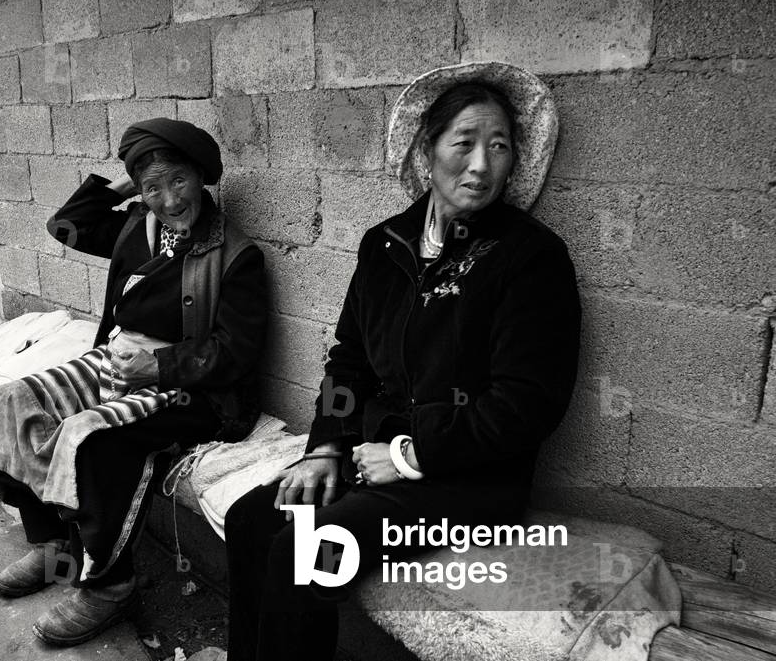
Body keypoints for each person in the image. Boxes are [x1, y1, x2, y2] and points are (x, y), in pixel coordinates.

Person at [223, 62, 582, 661]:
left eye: (499, 147)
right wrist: (328, 447)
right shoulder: (386, 243)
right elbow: (350, 361)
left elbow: (528, 403)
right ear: (427, 148)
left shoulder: (529, 257)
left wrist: (412, 456)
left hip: (472, 483)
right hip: (372, 459)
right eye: (463, 143)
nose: (481, 165)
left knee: (306, 550)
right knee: (253, 519)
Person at [0, 118, 267, 647]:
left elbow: (237, 354)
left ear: (202, 178)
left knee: (93, 439)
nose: (170, 199)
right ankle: (53, 545)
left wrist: (159, 367)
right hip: (118, 361)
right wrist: (131, 185)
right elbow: (65, 225)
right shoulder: (137, 225)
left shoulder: (235, 255)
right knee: (14, 397)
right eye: (153, 187)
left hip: (192, 389)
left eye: (179, 180)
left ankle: (111, 585)